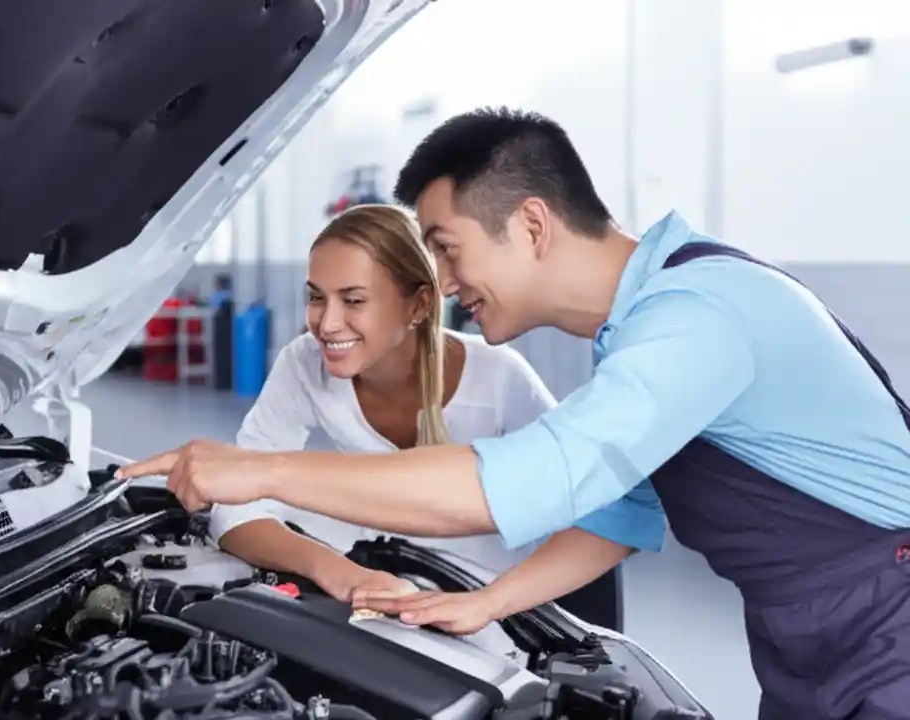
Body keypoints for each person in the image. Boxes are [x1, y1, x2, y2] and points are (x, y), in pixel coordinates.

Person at [118, 107, 910, 718]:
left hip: (889, 624)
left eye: (448, 246)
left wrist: (255, 471)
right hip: (805, 633)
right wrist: (487, 603)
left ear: (531, 224)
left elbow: (531, 478)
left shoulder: (699, 316)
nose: (445, 278)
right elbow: (618, 514)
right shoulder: (641, 330)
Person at [209, 204, 635, 610]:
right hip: (389, 583)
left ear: (419, 304)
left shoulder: (499, 378)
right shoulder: (304, 363)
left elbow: (590, 501)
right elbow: (233, 500)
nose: (325, 323)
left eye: (354, 300)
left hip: (491, 607)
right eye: (316, 297)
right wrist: (335, 570)